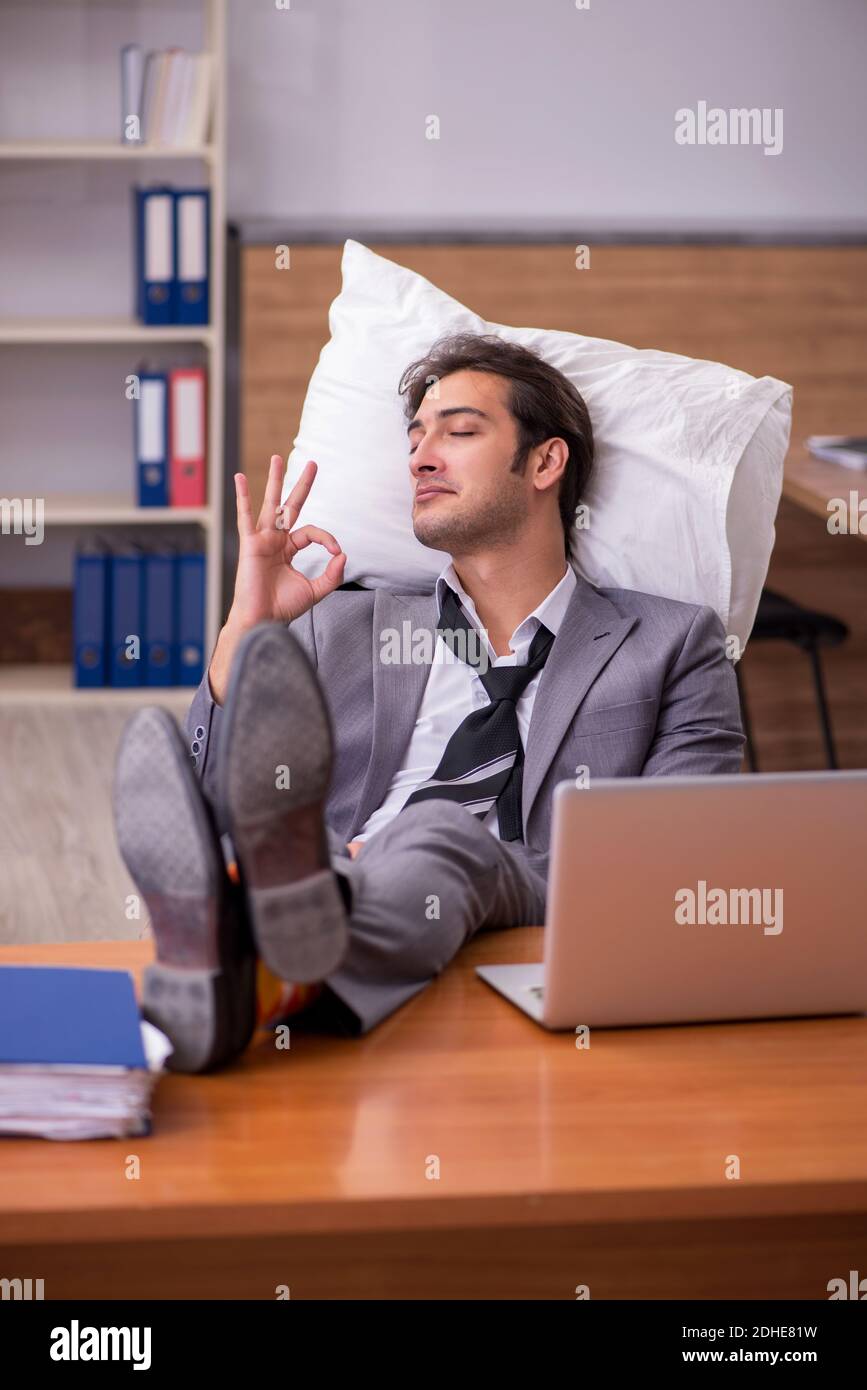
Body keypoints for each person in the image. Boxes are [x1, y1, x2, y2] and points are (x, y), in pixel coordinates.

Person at [114, 332, 744, 1071]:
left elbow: (681, 854)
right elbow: (211, 807)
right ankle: (295, 928)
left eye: (459, 431)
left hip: (538, 897)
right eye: (415, 436)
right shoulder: (339, 626)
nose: (419, 456)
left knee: (441, 834)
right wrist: (245, 628)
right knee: (303, 853)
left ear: (545, 461)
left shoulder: (670, 642)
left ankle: (272, 960)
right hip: (339, 885)